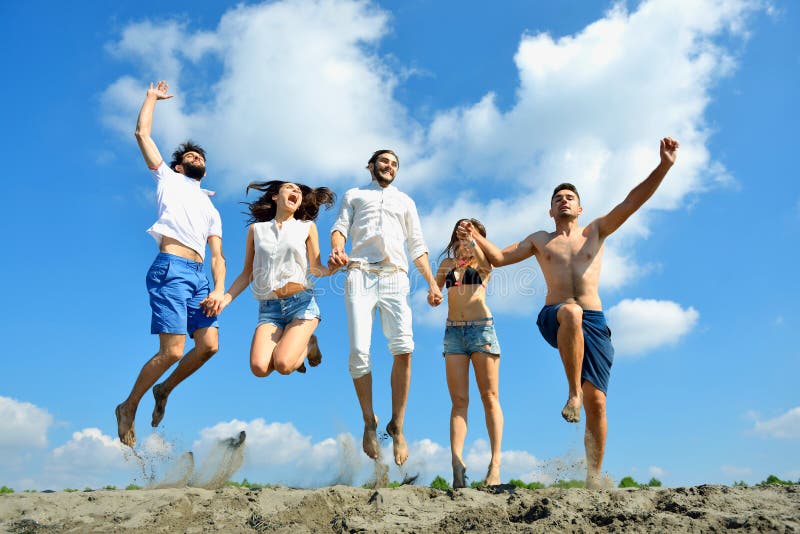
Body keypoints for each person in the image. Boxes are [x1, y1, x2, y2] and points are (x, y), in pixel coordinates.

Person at [459, 137, 680, 488]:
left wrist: (664, 166)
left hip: (594, 321)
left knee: (598, 403)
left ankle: (593, 475)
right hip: (555, 315)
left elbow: (631, 202)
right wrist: (475, 237)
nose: (564, 201)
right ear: (550, 211)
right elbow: (498, 259)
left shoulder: (596, 231)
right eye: (557, 198)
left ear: (579, 208)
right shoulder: (540, 239)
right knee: (571, 314)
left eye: (570, 198)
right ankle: (571, 393)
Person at [116, 81, 226, 447]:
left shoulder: (210, 207)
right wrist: (151, 98)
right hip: (171, 268)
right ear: (178, 166)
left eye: (201, 158)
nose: (196, 159)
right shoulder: (167, 178)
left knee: (209, 346)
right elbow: (141, 133)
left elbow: (218, 256)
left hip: (199, 278)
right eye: (189, 157)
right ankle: (128, 405)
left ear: (205, 172)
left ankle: (164, 389)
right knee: (173, 350)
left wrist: (220, 290)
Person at [328, 149, 443, 466]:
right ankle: (369, 420)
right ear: (370, 166)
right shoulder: (354, 194)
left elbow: (416, 245)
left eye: (394, 164)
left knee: (404, 348)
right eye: (383, 161)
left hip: (395, 276)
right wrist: (338, 248)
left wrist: (433, 284)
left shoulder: (406, 201)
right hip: (359, 272)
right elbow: (339, 227)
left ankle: (398, 424)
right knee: (359, 353)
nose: (389, 166)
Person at [217, 180, 335, 376]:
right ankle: (303, 342)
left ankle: (309, 343)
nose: (295, 191)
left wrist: (332, 269)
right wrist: (225, 299)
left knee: (283, 365)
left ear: (298, 204)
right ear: (275, 196)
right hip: (269, 308)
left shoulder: (306, 227)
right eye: (289, 188)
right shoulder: (256, 230)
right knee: (260, 368)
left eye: (298, 191)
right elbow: (248, 273)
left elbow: (316, 268)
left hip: (301, 304)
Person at [435, 219, 503, 488]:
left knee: (489, 396)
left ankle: (495, 465)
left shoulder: (483, 262)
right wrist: (434, 296)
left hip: (481, 330)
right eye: (461, 230)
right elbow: (435, 292)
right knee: (459, 400)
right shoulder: (447, 266)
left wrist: (474, 239)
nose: (464, 233)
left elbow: (488, 261)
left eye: (470, 229)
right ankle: (456, 464)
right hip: (453, 333)